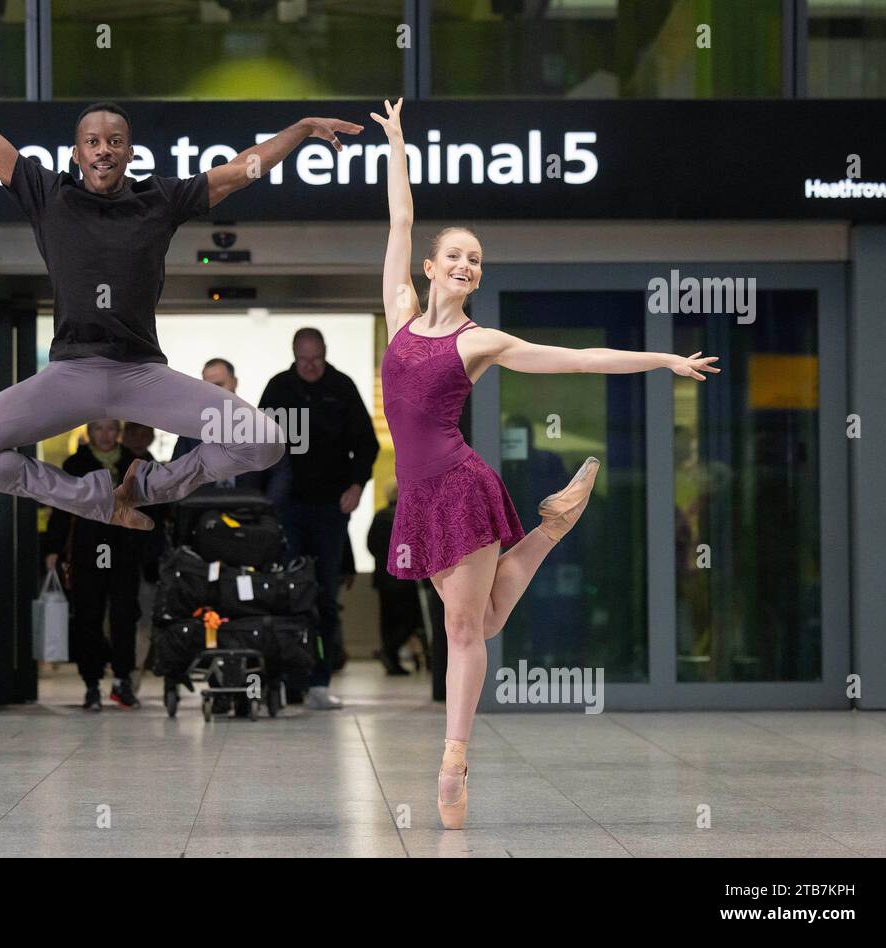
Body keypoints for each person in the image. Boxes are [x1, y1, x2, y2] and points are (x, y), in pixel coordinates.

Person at [372, 98, 720, 829]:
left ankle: (452, 762)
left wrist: (663, 360)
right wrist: (399, 142)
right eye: (456, 255)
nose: (465, 264)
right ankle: (552, 527)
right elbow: (400, 217)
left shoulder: (481, 340)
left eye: (476, 260)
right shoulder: (400, 310)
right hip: (417, 498)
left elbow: (582, 358)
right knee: (486, 620)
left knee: (466, 633)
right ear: (431, 267)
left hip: (461, 489)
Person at [0, 42, 361, 526]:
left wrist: (297, 131)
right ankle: (91, 499)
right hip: (69, 376)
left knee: (263, 440)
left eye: (114, 142)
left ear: (129, 151)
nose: (104, 150)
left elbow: (239, 172)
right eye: (93, 142)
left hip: (143, 375)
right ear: (77, 153)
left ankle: (143, 490)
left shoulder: (160, 199)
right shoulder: (47, 194)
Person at [259, 329, 380, 709]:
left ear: (325, 354)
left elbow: (366, 444)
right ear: (293, 356)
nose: (310, 367)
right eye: (303, 360)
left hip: (329, 508)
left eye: (316, 359)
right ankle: (287, 678)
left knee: (324, 596)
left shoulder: (341, 387)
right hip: (288, 506)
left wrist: (358, 484)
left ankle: (318, 681)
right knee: (287, 592)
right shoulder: (279, 388)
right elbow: (259, 444)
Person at [43, 420, 160, 711]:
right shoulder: (76, 463)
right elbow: (61, 507)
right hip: (87, 550)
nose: (105, 435)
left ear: (118, 433)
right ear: (89, 433)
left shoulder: (136, 462)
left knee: (124, 616)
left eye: (110, 429)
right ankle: (92, 684)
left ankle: (122, 680)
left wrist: (149, 549)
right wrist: (53, 549)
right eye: (98, 429)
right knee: (88, 618)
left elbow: (155, 506)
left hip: (125, 551)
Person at [169, 358, 290, 502]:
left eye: (219, 385)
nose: (213, 392)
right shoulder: (189, 430)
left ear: (235, 382)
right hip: (203, 513)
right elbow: (176, 476)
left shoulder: (261, 426)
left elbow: (281, 472)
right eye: (206, 387)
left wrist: (266, 508)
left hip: (252, 513)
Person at [367, 482, 424, 675]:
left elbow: (371, 545)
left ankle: (391, 658)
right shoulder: (410, 517)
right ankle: (389, 651)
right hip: (404, 578)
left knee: (388, 620)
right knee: (410, 619)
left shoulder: (380, 516)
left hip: (383, 578)